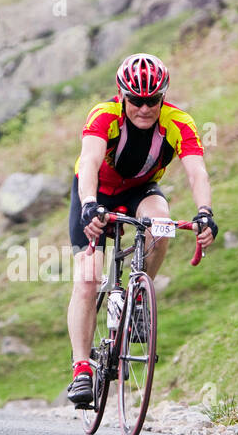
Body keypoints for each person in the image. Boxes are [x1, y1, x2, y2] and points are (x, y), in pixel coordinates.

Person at [65, 52, 218, 406]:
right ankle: (81, 369)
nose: (145, 109)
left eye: (153, 100)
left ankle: (137, 297)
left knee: (161, 221)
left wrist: (205, 213)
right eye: (136, 100)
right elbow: (89, 161)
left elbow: (197, 171)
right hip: (94, 192)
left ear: (162, 97)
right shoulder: (105, 115)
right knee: (88, 278)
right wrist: (89, 204)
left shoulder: (178, 122)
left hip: (139, 190)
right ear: (122, 95)